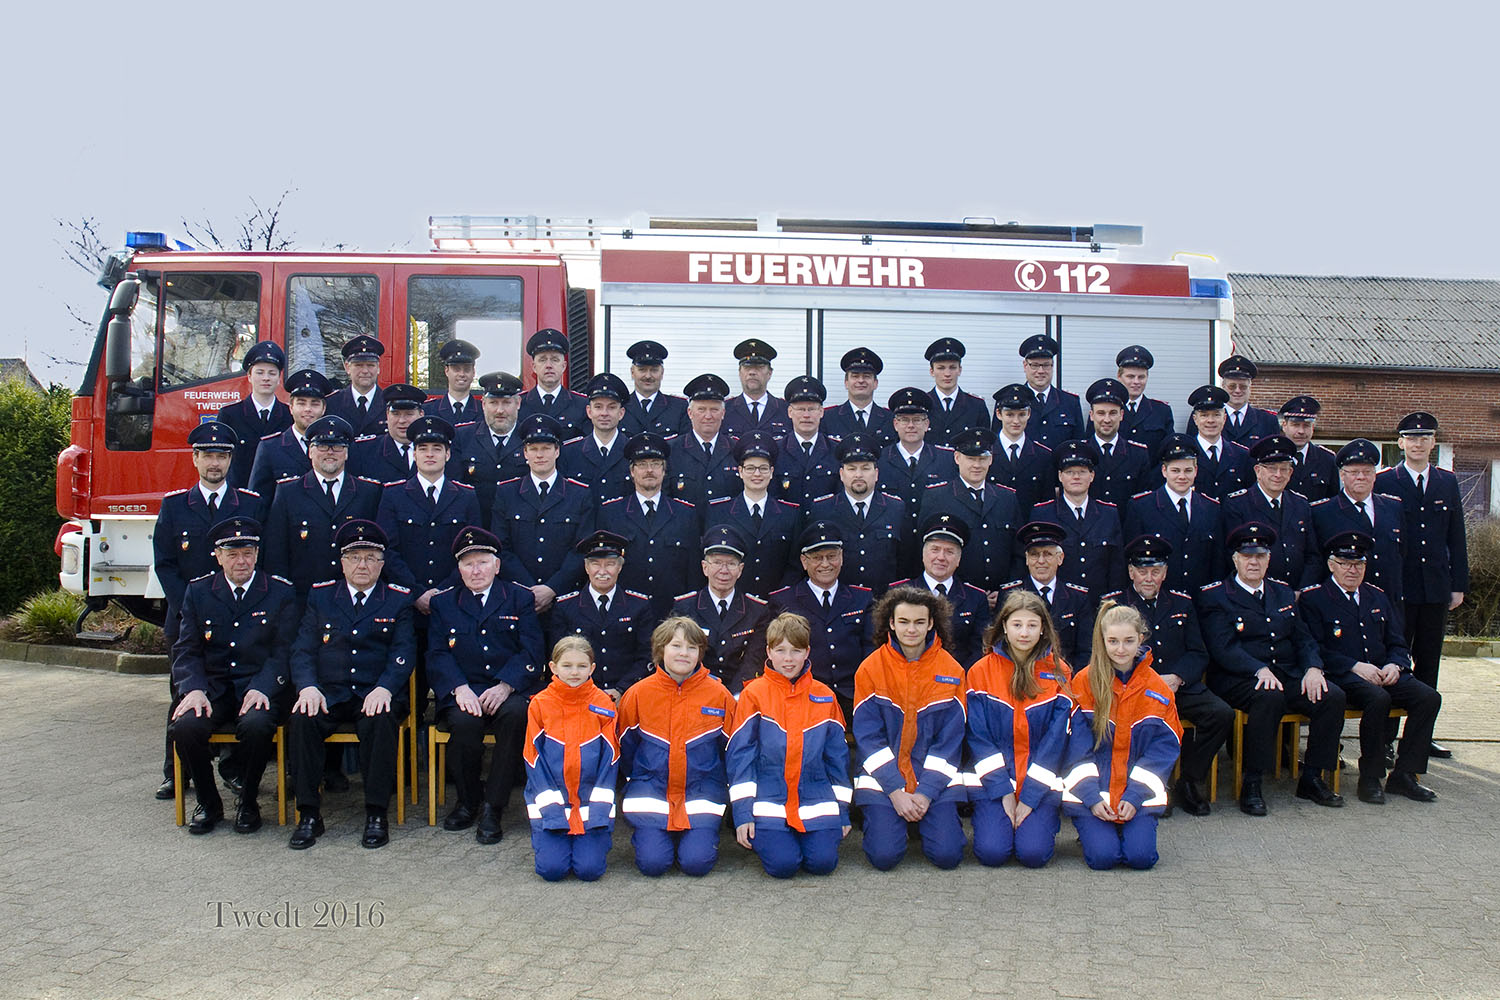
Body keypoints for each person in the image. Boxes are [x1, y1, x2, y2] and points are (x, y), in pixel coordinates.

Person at [1199, 521, 1346, 815]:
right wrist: (1257, 669)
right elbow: (1223, 647)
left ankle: (1313, 777)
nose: (1254, 562)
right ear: (1235, 559)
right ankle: (1252, 782)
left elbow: (1303, 638)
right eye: (1247, 556)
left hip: (1286, 673)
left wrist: (1313, 668)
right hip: (1237, 677)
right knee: (1269, 698)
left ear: (1269, 559)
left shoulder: (1282, 592)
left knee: (1332, 696)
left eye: (1260, 556)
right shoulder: (1216, 595)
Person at [287, 520, 416, 850]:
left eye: (371, 558)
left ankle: (376, 813)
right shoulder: (321, 597)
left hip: (375, 691)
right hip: (329, 692)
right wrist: (307, 687)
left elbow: (404, 652)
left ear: (382, 564)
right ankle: (309, 814)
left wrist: (386, 687)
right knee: (302, 719)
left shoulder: (397, 600)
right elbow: (303, 648)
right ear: (342, 562)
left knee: (381, 720)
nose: (363, 565)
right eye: (355, 557)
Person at [153, 420, 264, 798]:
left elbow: (258, 562)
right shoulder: (174, 506)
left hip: (242, 613)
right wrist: (188, 605)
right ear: (195, 459)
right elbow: (165, 563)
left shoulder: (249, 503)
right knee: (183, 693)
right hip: (187, 617)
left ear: (230, 460)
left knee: (236, 689)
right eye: (208, 456)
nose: (215, 463)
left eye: (222, 456)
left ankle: (233, 766)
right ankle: (175, 772)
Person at [168, 517, 297, 834]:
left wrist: (266, 687)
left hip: (258, 685)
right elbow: (186, 649)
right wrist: (193, 690)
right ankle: (209, 802)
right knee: (184, 726)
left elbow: (284, 651)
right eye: (233, 553)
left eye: (248, 553)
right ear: (218, 555)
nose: (242, 561)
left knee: (257, 724)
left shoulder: (279, 592)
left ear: (257, 554)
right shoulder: (199, 592)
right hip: (213, 688)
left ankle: (249, 801)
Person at [1298, 531, 1440, 804]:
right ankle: (1371, 777)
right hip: (1343, 675)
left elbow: (1398, 642)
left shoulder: (1377, 597)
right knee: (1378, 699)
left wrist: (1395, 665)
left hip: (1383, 672)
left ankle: (1404, 774)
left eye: (1359, 564)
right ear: (1331, 565)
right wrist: (1354, 666)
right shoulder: (1315, 598)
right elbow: (1313, 647)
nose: (1352, 570)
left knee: (1428, 698)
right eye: (1345, 563)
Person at [425, 526, 546, 844]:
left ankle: (494, 805)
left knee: (517, 716)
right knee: (464, 722)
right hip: (463, 688)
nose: (475, 570)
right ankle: (467, 801)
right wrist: (458, 688)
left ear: (497, 565)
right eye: (468, 563)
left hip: (509, 687)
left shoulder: (519, 598)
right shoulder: (444, 603)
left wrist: (506, 685)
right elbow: (437, 654)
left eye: (482, 562)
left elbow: (532, 650)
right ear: (459, 568)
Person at [1101, 535, 1229, 817]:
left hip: (1176, 687)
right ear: (1131, 572)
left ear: (1165, 572)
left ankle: (1189, 781)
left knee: (1221, 714)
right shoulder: (1114, 606)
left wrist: (1178, 678)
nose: (1149, 578)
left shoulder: (1182, 603)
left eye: (1155, 571)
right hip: (1133, 691)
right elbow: (1102, 654)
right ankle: (1153, 786)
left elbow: (1198, 652)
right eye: (1143, 571)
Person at [375, 414, 481, 726]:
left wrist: (444, 591)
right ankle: (413, 760)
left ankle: (449, 760)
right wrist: (419, 593)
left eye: (437, 448)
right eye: (423, 448)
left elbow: (472, 552)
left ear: (449, 454)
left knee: (456, 687)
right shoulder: (393, 494)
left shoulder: (466, 496)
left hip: (454, 604)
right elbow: (388, 550)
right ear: (414, 454)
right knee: (412, 692)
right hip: (409, 604)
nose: (430, 454)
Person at [851, 585, 968, 870]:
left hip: (935, 784)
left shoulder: (952, 672)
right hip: (884, 782)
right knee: (884, 857)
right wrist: (895, 792)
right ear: (891, 622)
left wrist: (925, 793)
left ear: (931, 623)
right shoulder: (870, 669)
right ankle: (893, 821)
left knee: (948, 857)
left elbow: (950, 744)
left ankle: (920, 819)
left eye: (919, 622)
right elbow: (869, 739)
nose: (911, 629)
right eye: (903, 621)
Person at [728, 612, 852, 878]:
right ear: (769, 652)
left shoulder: (824, 695)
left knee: (823, 864)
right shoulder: (753, 694)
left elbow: (838, 758)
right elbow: (741, 758)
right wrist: (742, 815)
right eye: (781, 650)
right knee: (783, 866)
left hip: (815, 797)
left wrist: (841, 813)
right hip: (768, 798)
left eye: (795, 651)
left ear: (807, 652)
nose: (788, 659)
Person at [1376, 411, 1467, 760]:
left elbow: (1455, 537)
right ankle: (1383, 738)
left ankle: (1419, 738)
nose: (1417, 443)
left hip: (1434, 588)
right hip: (1397, 589)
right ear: (1399, 443)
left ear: (1433, 442)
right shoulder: (1386, 481)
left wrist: (1457, 584)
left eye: (1424, 438)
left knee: (1429, 663)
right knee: (1394, 662)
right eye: (1410, 438)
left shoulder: (1447, 481)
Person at [1063, 601, 1182, 869]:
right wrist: (1092, 799)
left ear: (1141, 639)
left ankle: (1127, 829)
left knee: (1141, 859)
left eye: (1129, 641)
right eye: (1113, 641)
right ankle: (1095, 831)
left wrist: (1134, 796)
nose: (1120, 649)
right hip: (1092, 795)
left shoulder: (1158, 688)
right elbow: (1075, 748)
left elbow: (1165, 749)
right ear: (1102, 640)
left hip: (1137, 797)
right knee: (1103, 859)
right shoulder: (1084, 682)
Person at [616, 617, 736, 876]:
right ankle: (653, 835)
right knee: (653, 865)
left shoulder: (719, 694)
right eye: (676, 646)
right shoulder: (637, 694)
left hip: (701, 794)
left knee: (696, 864)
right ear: (661, 650)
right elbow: (625, 750)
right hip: (652, 793)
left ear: (700, 654)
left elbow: (730, 752)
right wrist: (641, 778)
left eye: (692, 648)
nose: (684, 653)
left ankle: (695, 836)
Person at [966, 590, 1075, 867]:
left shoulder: (1059, 671)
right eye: (1017, 624)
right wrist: (1003, 792)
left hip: (1039, 784)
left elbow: (1055, 742)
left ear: (1043, 629)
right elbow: (979, 737)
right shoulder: (980, 671)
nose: (1024, 633)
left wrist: (1029, 797)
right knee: (992, 853)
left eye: (1032, 625)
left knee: (1033, 855)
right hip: (993, 784)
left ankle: (1042, 822)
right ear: (1004, 626)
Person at [522, 636, 620, 881]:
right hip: (553, 805)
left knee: (590, 871)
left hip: (590, 807)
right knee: (552, 871)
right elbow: (533, 760)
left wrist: (598, 814)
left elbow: (610, 762)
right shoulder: (540, 705)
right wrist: (553, 813)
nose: (574, 672)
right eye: (567, 666)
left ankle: (589, 842)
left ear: (592, 668)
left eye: (581, 666)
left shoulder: (604, 704)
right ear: (553, 667)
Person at [262, 414, 384, 601]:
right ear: (310, 451)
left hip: (354, 600)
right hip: (303, 599)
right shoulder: (288, 492)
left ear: (346, 453)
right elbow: (276, 554)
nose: (329, 452)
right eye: (322, 446)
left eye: (337, 446)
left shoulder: (369, 492)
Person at [767, 521, 874, 717]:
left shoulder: (862, 599)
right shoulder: (783, 601)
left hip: (854, 699)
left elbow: (871, 651)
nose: (825, 564)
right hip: (803, 699)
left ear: (841, 558)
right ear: (804, 561)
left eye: (831, 556)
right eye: (817, 558)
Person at [492, 413, 595, 614]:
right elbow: (501, 547)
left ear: (557, 451)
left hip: (565, 598)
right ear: (525, 453)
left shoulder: (579, 494)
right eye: (533, 449)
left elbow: (582, 549)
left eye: (546, 448)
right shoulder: (506, 493)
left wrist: (552, 588)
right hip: (518, 596)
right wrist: (529, 590)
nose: (540, 455)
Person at [605, 433, 702, 618]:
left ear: (664, 471)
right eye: (642, 465)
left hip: (672, 612)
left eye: (656, 464)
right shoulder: (612, 513)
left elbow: (693, 573)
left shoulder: (685, 514)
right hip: (626, 613)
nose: (649, 470)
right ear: (632, 471)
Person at [548, 530, 654, 699]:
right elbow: (559, 657)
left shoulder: (639, 606)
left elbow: (646, 656)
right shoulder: (565, 607)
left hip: (628, 694)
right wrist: (590, 692)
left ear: (620, 566)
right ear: (586, 567)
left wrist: (621, 689)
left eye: (610, 564)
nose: (602, 571)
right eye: (596, 564)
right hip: (580, 695)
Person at [917, 427, 1020, 597]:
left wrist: (1005, 591)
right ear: (957, 458)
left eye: (982, 459)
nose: (977, 465)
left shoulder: (1006, 497)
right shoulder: (936, 496)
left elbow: (1018, 550)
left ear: (991, 459)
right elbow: (924, 550)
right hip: (958, 597)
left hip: (1002, 597)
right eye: (971, 458)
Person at [1122, 434, 1225, 594]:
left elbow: (1217, 562)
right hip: (1160, 599)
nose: (1182, 476)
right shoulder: (1141, 507)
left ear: (1196, 471)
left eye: (1188, 470)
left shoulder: (1211, 507)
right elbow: (1131, 560)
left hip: (1201, 600)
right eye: (1175, 470)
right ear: (1164, 470)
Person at [672, 525, 771, 691]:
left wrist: (734, 696)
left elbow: (753, 661)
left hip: (740, 694)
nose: (724, 571)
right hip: (694, 690)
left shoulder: (757, 611)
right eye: (717, 562)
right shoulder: (684, 608)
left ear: (740, 570)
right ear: (705, 567)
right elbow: (680, 658)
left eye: (731, 564)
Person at [703, 432, 801, 598]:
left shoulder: (790, 514)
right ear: (740, 471)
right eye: (750, 468)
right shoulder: (719, 512)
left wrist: (780, 596)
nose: (757, 474)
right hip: (734, 601)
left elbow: (795, 565)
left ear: (771, 472)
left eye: (763, 468)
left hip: (777, 603)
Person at [808, 432, 907, 595]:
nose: (858, 475)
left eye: (865, 468)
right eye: (852, 469)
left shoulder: (896, 508)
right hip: (839, 602)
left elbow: (906, 561)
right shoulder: (822, 509)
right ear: (841, 474)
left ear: (876, 474)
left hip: (884, 602)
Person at [1312, 439, 1406, 605]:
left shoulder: (1393, 507)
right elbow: (1317, 560)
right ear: (1342, 475)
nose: (1361, 477)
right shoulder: (1322, 512)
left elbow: (1402, 554)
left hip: (1388, 600)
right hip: (1342, 603)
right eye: (1354, 472)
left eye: (1367, 472)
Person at [1031, 440, 1125, 603]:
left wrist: (1112, 603)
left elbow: (1116, 566)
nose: (1076, 477)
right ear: (1060, 476)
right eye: (1069, 472)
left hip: (1099, 603)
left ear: (1092, 476)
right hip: (1059, 604)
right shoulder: (1042, 514)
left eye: (1082, 471)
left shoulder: (1108, 514)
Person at [889, 514, 990, 665]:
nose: (941, 557)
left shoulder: (976, 598)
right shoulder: (899, 593)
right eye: (935, 549)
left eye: (949, 551)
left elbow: (978, 649)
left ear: (959, 559)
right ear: (923, 554)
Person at [1223, 434, 1320, 589]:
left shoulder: (1301, 504)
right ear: (1258, 471)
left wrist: (1303, 590)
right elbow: (1232, 555)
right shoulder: (1238, 504)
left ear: (1290, 473)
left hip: (1299, 593)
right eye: (1272, 469)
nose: (1278, 475)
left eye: (1283, 469)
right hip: (1260, 593)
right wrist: (1275, 593)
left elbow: (1312, 555)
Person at [1000, 521, 1094, 668]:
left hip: (1065, 679)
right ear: (1026, 559)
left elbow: (1085, 651)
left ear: (1060, 558)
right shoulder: (1009, 595)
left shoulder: (1077, 598)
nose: (1041, 561)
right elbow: (1001, 645)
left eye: (1048, 554)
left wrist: (1070, 683)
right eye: (1034, 555)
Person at [878, 387, 952, 549]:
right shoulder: (879, 460)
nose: (911, 425)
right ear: (895, 424)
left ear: (927, 424)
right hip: (892, 546)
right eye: (904, 420)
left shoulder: (947, 459)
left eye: (917, 419)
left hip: (933, 545)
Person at [454, 370, 528, 527]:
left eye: (506, 403)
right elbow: (455, 489)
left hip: (518, 530)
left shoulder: (530, 438)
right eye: (493, 403)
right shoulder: (462, 437)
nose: (500, 410)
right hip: (475, 527)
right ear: (483, 404)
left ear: (518, 403)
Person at [217, 341, 290, 489]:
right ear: (249, 376)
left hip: (278, 500)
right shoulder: (230, 415)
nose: (266, 378)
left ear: (279, 378)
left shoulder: (290, 415)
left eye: (272, 373)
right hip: (239, 497)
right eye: (260, 372)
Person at [247, 369, 331, 497]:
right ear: (291, 407)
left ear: (323, 408)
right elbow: (258, 502)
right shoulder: (270, 448)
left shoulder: (336, 449)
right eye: (301, 403)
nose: (308, 409)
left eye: (314, 404)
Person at [559, 372, 634, 507]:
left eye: (611, 407)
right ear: (589, 411)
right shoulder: (569, 453)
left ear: (621, 413)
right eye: (598, 407)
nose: (604, 413)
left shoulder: (633, 452)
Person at [668, 373, 741, 508]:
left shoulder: (737, 449)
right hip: (685, 527)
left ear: (723, 413)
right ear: (690, 413)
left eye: (714, 409)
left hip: (726, 526)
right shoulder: (671, 450)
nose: (708, 416)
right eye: (701, 409)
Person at [1083, 377, 1151, 506]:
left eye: (1113, 413)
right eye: (1101, 413)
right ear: (1092, 415)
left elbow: (1142, 503)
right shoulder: (1082, 452)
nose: (1107, 420)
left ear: (1122, 415)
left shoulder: (1138, 455)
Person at [989, 383, 1055, 514]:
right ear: (998, 414)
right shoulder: (986, 452)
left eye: (1021, 414)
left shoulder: (1043, 456)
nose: (1016, 421)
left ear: (1029, 414)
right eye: (1009, 414)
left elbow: (1047, 503)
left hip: (1030, 528)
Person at [776, 375, 840, 507]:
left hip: (825, 523)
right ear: (789, 412)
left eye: (811, 409)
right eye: (800, 409)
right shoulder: (776, 450)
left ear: (821, 412)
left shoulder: (837, 451)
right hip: (788, 525)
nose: (806, 415)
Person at [349, 384, 432, 485]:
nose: (402, 420)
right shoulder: (362, 451)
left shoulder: (436, 452)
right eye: (396, 414)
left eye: (409, 414)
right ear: (387, 414)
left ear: (421, 414)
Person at [1185, 384, 1253, 501]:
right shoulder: (1184, 454)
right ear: (1195, 419)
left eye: (1216, 415)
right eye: (1204, 415)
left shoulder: (1242, 455)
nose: (1210, 421)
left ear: (1224, 418)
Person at [518, 328, 588, 439]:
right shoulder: (518, 404)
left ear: (564, 366)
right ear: (534, 367)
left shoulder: (582, 405)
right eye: (542, 360)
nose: (549, 365)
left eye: (555, 360)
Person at [1194, 355, 1277, 446]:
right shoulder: (1202, 417)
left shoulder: (1267, 420)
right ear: (1223, 386)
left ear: (1250, 388)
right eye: (1232, 386)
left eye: (1243, 387)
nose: (1237, 391)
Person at [1018, 335, 1083, 449]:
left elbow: (1078, 446)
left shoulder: (1070, 402)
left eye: (1046, 365)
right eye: (1035, 365)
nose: (1041, 371)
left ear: (1053, 365)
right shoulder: (1012, 401)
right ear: (1025, 366)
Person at [821, 347, 893, 445]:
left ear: (875, 383)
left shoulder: (890, 419)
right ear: (846, 383)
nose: (861, 380)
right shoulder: (827, 418)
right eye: (855, 376)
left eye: (867, 376)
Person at [924, 337, 989, 446]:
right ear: (932, 371)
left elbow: (984, 444)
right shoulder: (923, 404)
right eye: (941, 368)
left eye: (952, 367)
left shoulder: (976, 406)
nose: (947, 373)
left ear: (960, 370)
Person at [1113, 345, 1174, 458]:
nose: (1136, 382)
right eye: (1130, 377)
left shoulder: (1161, 411)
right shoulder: (1106, 409)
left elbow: (1168, 453)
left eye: (1141, 377)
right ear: (1119, 377)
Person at [619, 339, 689, 438]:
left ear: (662, 373)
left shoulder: (679, 408)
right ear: (632, 372)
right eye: (642, 370)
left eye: (654, 370)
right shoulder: (619, 407)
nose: (648, 376)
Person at [322, 335, 388, 437]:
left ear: (378, 368)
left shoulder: (389, 403)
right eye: (359, 365)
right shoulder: (331, 404)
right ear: (347, 367)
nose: (365, 371)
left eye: (371, 365)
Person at [723, 338, 789, 438]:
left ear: (770, 373)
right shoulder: (725, 410)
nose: (752, 372)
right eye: (747, 367)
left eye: (759, 367)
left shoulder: (786, 410)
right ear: (740, 373)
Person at [1280, 395, 1338, 503]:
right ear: (1284, 426)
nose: (1301, 431)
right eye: (1295, 425)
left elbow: (1333, 501)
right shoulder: (1273, 457)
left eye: (1306, 425)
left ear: (1312, 428)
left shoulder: (1327, 459)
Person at [422, 339, 481, 425]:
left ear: (473, 372)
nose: (462, 374)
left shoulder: (484, 411)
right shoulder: (428, 410)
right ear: (446, 371)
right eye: (456, 369)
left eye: (467, 369)